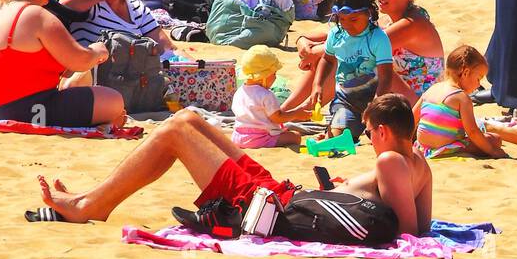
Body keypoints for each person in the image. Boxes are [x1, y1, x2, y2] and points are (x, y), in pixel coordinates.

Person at [29, 92, 433, 238]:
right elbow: (425, 224)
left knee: (173, 133)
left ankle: (91, 205)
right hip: (287, 194)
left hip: (273, 204)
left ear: (382, 131)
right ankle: (90, 198)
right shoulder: (419, 165)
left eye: (367, 133)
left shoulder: (393, 161)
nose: (367, 140)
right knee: (187, 119)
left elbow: (409, 232)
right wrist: (343, 193)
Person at [0, 0, 124, 128]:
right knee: (114, 100)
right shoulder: (36, 16)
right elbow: (80, 60)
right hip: (32, 109)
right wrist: (98, 51)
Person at [299, 0, 395, 140]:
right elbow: (327, 60)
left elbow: (386, 77)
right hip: (345, 102)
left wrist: (375, 107)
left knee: (384, 137)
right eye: (342, 19)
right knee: (336, 139)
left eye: (353, 19)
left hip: (376, 102)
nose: (347, 25)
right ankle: (332, 131)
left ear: (368, 12)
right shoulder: (336, 35)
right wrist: (317, 85)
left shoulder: (378, 38)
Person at [373, 0, 444, 101]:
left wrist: (314, 51)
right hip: (402, 102)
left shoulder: (413, 24)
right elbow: (353, 35)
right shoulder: (390, 20)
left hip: (421, 109)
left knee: (369, 63)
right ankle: (308, 107)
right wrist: (308, 41)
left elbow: (362, 45)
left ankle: (309, 106)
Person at [415, 44, 505, 158]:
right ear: (466, 72)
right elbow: (472, 131)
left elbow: (412, 118)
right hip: (447, 148)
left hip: (424, 148)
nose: (478, 85)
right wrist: (492, 151)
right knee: (495, 140)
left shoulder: (432, 89)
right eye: (478, 79)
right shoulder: (462, 98)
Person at [231, 46, 313, 148]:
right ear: (264, 76)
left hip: (238, 137)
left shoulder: (239, 91)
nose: (275, 77)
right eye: (274, 73)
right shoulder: (266, 95)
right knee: (295, 137)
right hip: (259, 139)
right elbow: (277, 118)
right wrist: (295, 114)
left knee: (284, 132)